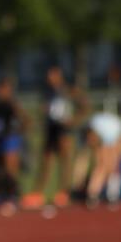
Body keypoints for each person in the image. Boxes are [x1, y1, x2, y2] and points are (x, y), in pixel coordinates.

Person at [28, 65, 76, 208]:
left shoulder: (68, 91)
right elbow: (44, 110)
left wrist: (73, 120)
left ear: (59, 76)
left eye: (52, 75)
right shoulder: (47, 92)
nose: (49, 79)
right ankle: (38, 194)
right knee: (45, 161)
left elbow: (84, 106)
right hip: (50, 130)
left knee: (64, 161)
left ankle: (63, 193)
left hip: (64, 131)